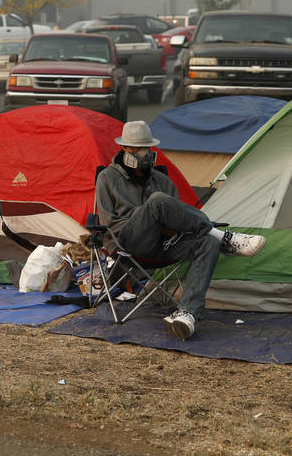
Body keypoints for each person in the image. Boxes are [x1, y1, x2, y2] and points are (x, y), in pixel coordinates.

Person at [94, 121, 266, 341]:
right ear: (125, 148)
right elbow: (110, 223)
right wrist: (148, 218)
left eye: (148, 148)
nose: (145, 153)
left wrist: (168, 227)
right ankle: (224, 237)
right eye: (139, 148)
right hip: (128, 243)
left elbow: (178, 220)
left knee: (207, 243)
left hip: (163, 246)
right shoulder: (107, 178)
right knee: (157, 202)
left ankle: (187, 312)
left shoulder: (162, 180)